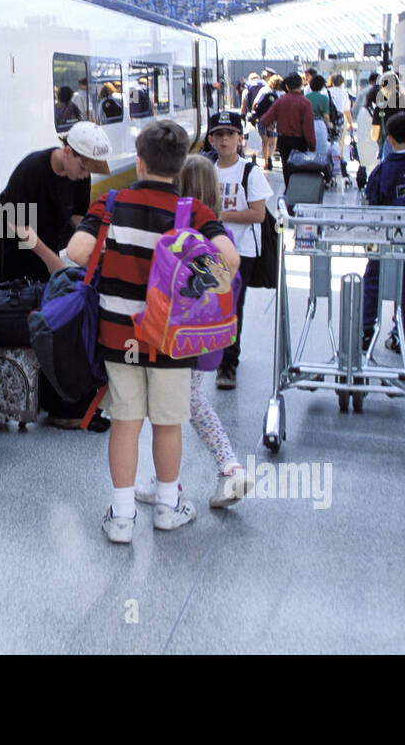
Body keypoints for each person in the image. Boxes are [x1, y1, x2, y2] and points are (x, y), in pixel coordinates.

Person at [66, 121, 240, 543]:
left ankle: (122, 517)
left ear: (139, 161)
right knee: (168, 423)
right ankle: (167, 506)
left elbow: (76, 253)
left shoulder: (109, 203)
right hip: (170, 340)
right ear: (179, 167)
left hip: (118, 336)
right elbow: (229, 262)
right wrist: (190, 278)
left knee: (125, 421)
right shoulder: (193, 212)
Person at [135, 153, 254, 510]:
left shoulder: (178, 227)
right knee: (182, 403)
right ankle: (177, 477)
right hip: (208, 333)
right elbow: (224, 277)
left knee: (177, 407)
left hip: (176, 332)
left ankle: (222, 468)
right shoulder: (220, 231)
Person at [0, 120, 110, 283]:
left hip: (43, 246)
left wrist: (96, 240)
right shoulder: (33, 169)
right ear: (67, 151)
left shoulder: (80, 177)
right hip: (9, 251)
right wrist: (51, 259)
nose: (85, 175)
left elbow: (76, 215)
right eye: (83, 168)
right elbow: (18, 224)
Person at [202, 110, 272, 391]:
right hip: (212, 249)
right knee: (215, 302)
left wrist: (220, 214)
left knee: (233, 306)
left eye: (230, 134)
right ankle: (214, 352)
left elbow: (258, 215)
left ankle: (228, 362)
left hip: (242, 251)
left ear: (240, 138)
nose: (224, 140)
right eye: (218, 135)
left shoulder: (250, 172)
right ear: (210, 139)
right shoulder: (206, 168)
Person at [361, 113, 405, 352]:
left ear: (389, 139)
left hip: (383, 238)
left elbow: (371, 201)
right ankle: (400, 332)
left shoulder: (382, 170)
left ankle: (366, 330)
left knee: (372, 282)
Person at [259, 72, 315, 176]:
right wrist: (312, 146)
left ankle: (287, 190)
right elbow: (308, 128)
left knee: (286, 168)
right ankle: (295, 189)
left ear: (287, 87)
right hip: (300, 141)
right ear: (301, 85)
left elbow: (264, 121)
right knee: (299, 170)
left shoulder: (280, 101)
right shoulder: (306, 103)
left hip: (284, 140)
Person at [251, 73, 282, 170]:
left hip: (263, 119)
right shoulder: (279, 93)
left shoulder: (264, 90)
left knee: (264, 142)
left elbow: (255, 103)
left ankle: (265, 162)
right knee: (273, 142)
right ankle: (269, 158)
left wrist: (254, 114)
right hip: (274, 121)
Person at [306, 74, 332, 163]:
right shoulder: (324, 98)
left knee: (309, 150)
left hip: (307, 124)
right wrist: (329, 125)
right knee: (321, 150)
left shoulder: (306, 97)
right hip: (319, 124)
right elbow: (326, 116)